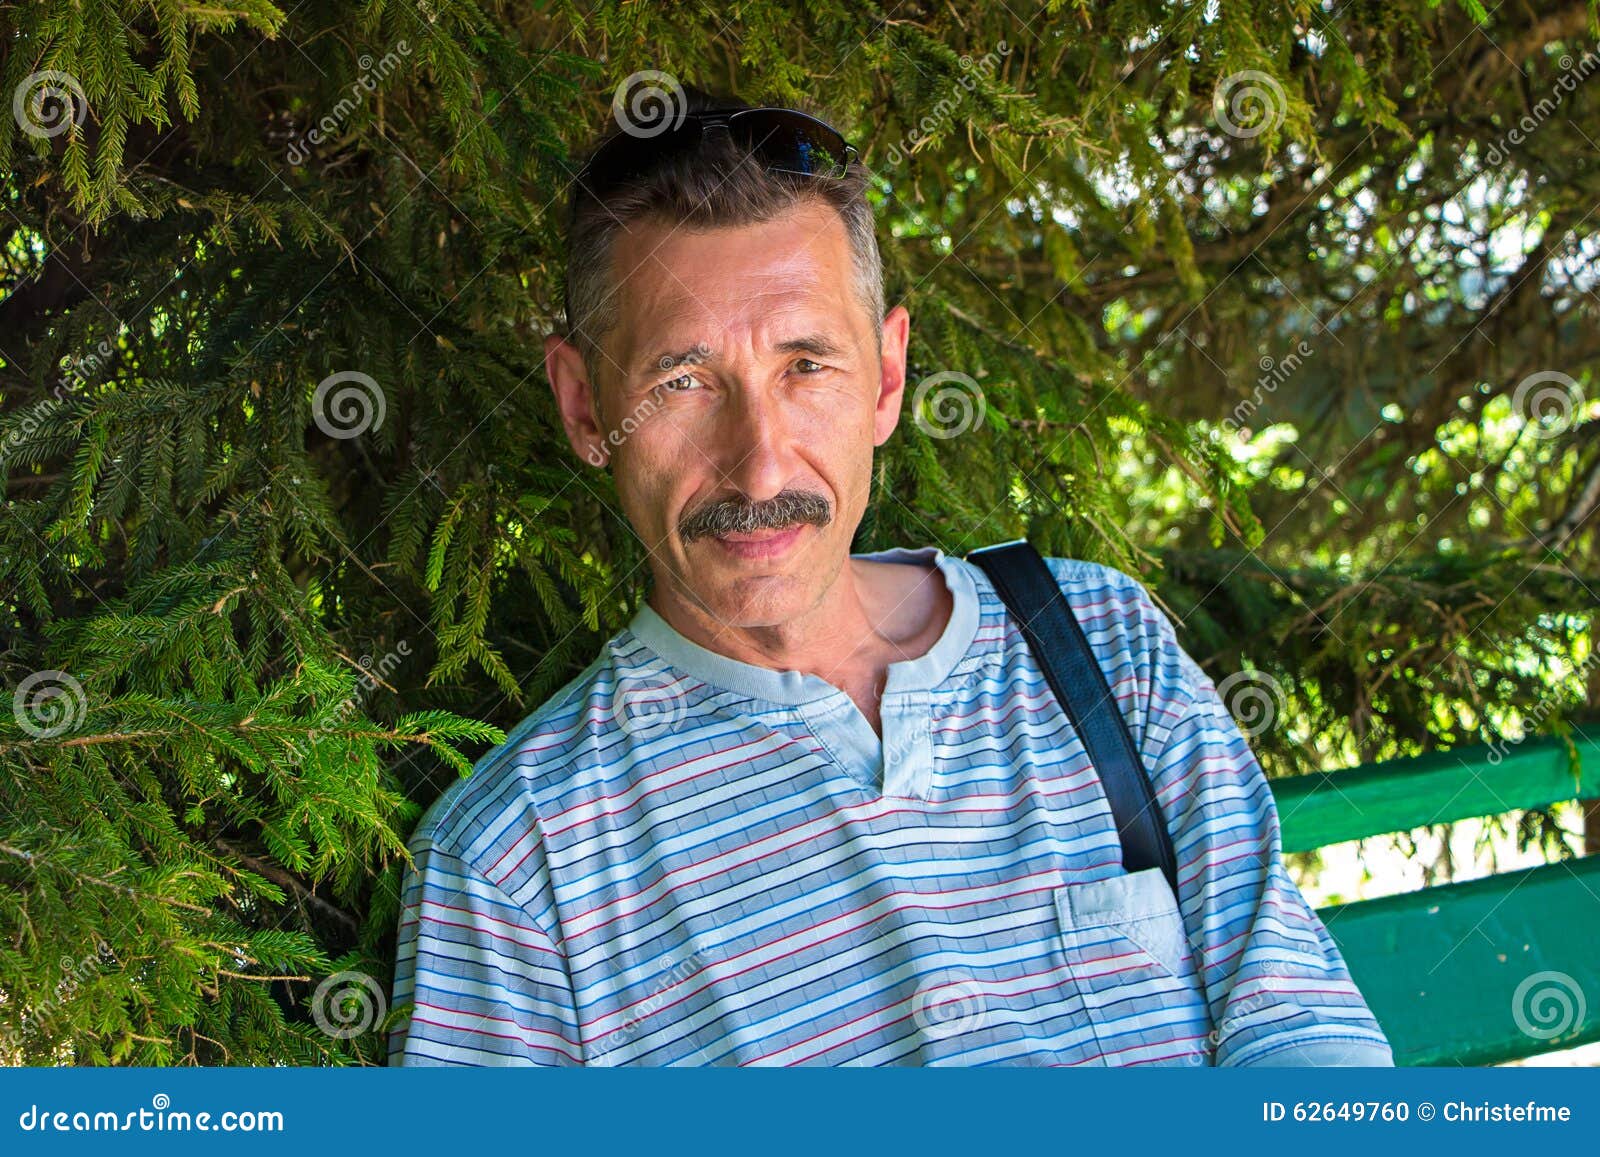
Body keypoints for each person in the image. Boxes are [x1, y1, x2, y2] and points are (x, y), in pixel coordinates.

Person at [387, 85, 1394, 1067]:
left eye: (806, 365)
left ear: (887, 376)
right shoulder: (515, 865)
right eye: (682, 380)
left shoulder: (1097, 642)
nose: (761, 469)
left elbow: (1306, 1048)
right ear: (583, 405)